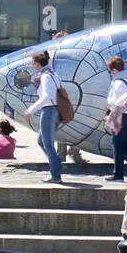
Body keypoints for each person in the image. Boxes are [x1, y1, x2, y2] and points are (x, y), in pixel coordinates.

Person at [25, 50, 64, 183]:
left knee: (48, 144)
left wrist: (31, 109)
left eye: (33, 62)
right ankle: (57, 164)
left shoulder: (45, 76)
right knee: (41, 141)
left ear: (37, 63)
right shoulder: (54, 74)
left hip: (48, 111)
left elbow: (46, 96)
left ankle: (56, 175)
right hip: (56, 111)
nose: (32, 65)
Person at [51, 31, 88, 165]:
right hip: (62, 97)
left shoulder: (72, 56)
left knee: (71, 126)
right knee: (64, 126)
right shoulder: (55, 58)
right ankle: (63, 155)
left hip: (72, 95)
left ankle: (73, 153)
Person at [105, 56, 127, 181]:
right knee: (126, 145)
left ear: (114, 70)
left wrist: (108, 103)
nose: (110, 73)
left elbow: (115, 102)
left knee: (117, 144)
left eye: (110, 71)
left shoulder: (118, 82)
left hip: (119, 115)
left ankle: (118, 174)